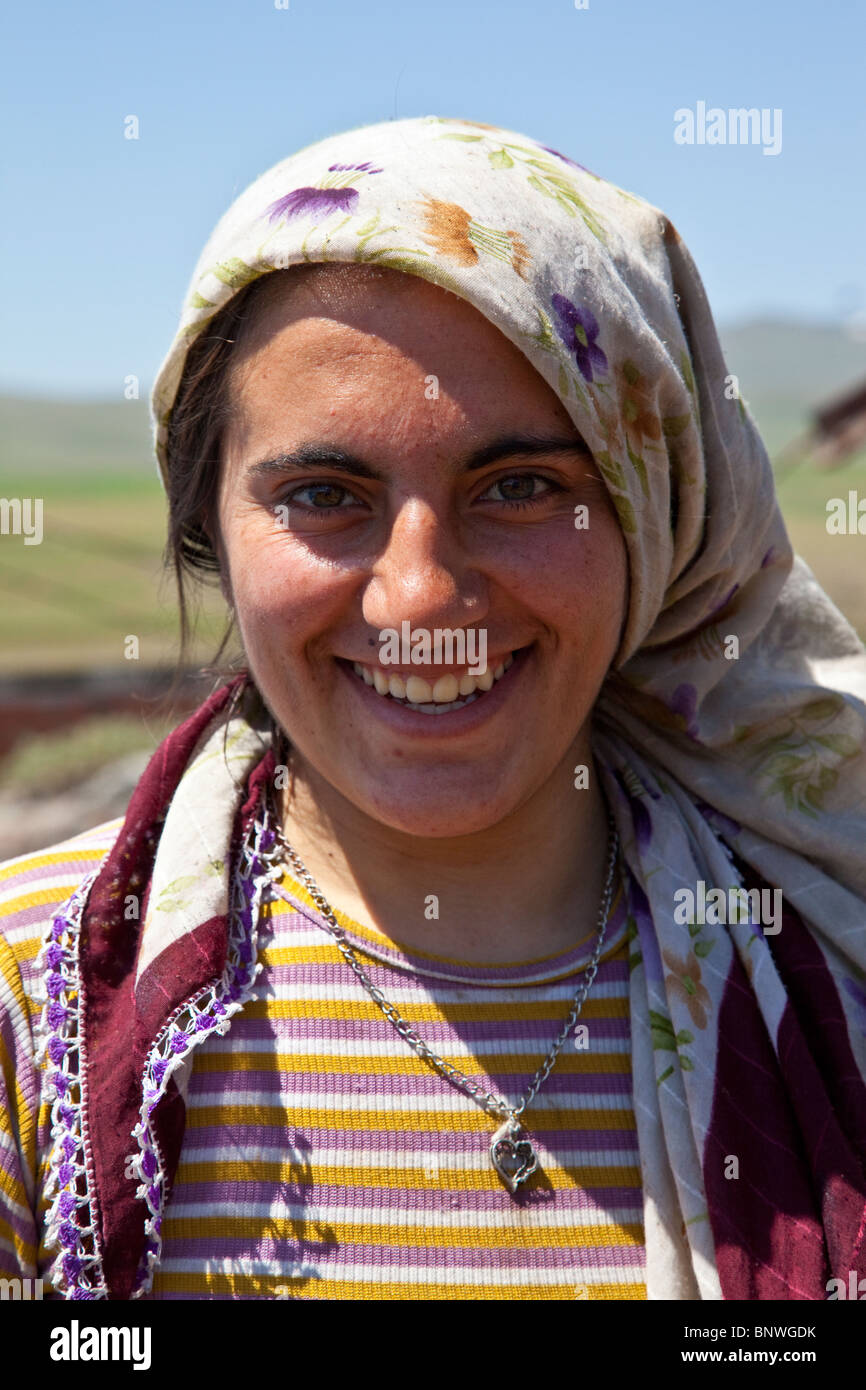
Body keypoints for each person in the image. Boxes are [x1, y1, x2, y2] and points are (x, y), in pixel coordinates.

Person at [1, 114, 865, 1303]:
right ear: (213, 529)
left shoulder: (827, 967)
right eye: (323, 492)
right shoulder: (27, 1016)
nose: (418, 596)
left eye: (520, 487)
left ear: (656, 523)